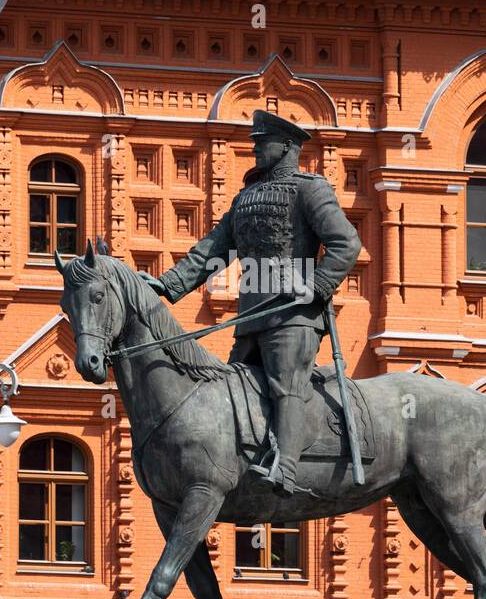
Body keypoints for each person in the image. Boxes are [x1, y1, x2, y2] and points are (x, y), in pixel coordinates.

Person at [139, 109, 361, 494]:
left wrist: (318, 284)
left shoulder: (311, 189)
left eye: (263, 142)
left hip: (293, 314)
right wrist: (165, 286)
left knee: (285, 384)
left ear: (288, 145)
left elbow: (346, 242)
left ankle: (287, 469)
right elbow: (212, 251)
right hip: (253, 314)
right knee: (234, 392)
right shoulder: (246, 199)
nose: (255, 147)